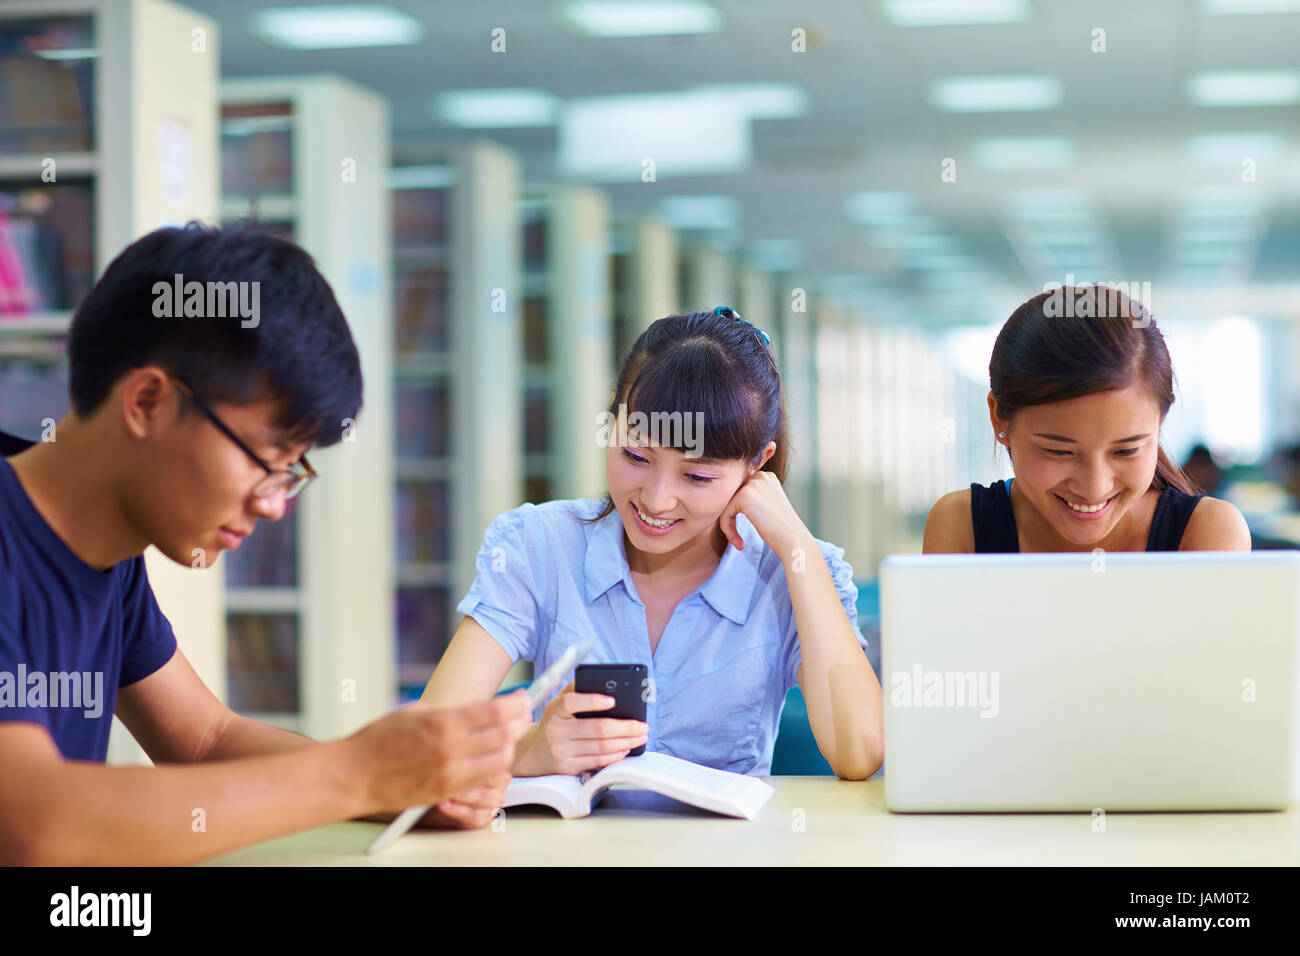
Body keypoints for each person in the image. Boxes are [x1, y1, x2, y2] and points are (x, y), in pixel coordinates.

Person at [0, 224, 530, 866]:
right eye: (266, 458)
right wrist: (357, 775)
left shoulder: (109, 558)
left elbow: (203, 738)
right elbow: (38, 825)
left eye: (292, 473)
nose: (274, 504)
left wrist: (402, 784)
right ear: (147, 401)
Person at [422, 308, 883, 779]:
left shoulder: (787, 573)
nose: (657, 501)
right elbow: (427, 739)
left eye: (698, 475)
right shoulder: (540, 546)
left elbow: (860, 753)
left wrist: (795, 547)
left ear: (757, 465)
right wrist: (529, 750)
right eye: (635, 455)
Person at [924, 285, 1250, 554]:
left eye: (1126, 451)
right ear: (999, 419)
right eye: (1059, 451)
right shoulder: (962, 526)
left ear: (1159, 424)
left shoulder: (1208, 533)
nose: (1094, 487)